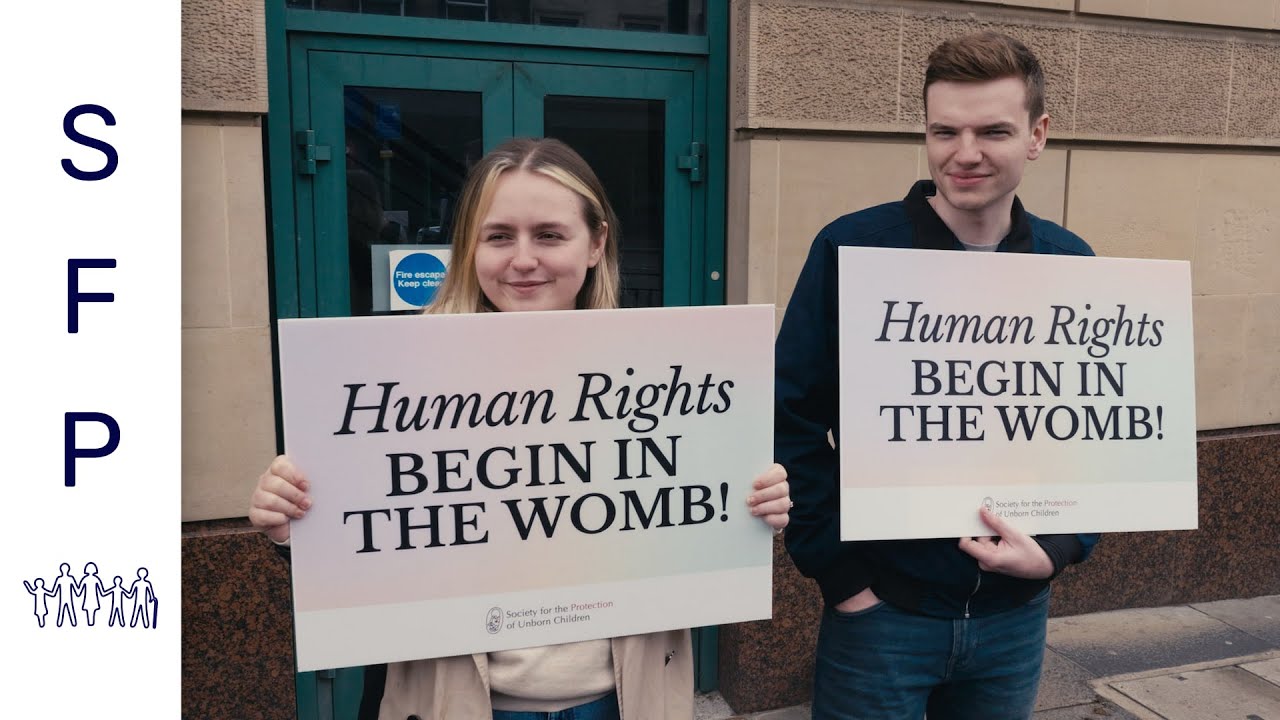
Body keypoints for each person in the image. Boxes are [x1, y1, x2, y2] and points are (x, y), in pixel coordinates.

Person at [250, 137, 792, 720]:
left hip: (625, 702)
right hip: (456, 703)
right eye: (499, 235)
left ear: (596, 243)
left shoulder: (664, 374)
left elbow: (691, 520)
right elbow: (371, 537)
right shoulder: (396, 378)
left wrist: (753, 506)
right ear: (470, 247)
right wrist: (295, 524)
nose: (523, 258)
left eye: (550, 235)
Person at [775, 32, 1101, 720]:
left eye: (993, 131)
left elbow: (1097, 426)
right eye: (944, 130)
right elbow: (789, 413)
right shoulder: (853, 247)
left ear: (1037, 136)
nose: (966, 152)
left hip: (1016, 620)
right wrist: (840, 575)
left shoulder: (1069, 261)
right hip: (882, 616)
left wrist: (1064, 549)